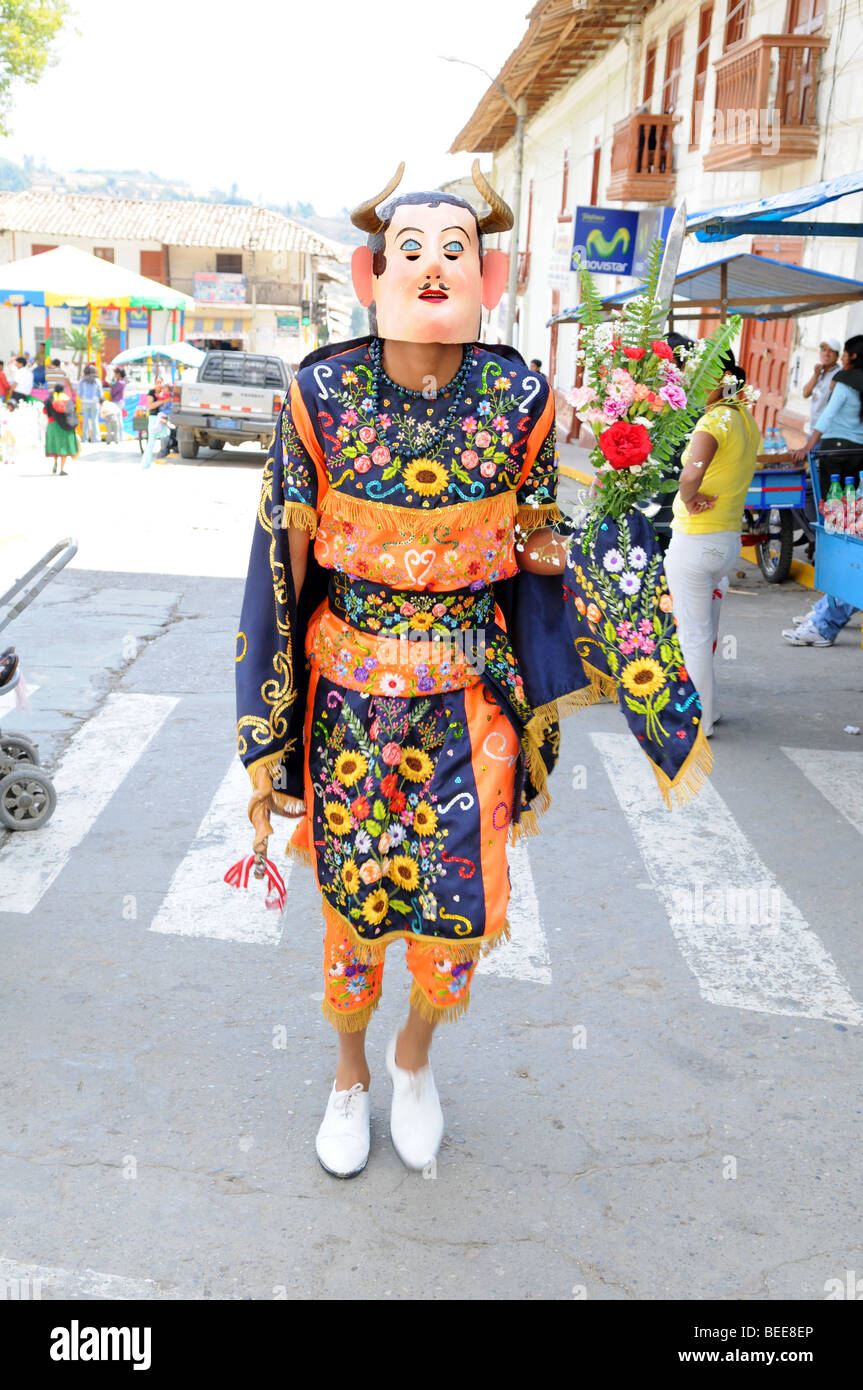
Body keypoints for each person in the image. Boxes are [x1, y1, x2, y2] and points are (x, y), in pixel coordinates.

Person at [233, 163, 710, 1180]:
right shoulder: (317, 391)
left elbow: (537, 544)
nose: (434, 268)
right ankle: (349, 1072)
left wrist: (616, 515)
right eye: (411, 250)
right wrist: (265, 737)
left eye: (455, 250)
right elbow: (280, 559)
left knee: (455, 907)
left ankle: (414, 1060)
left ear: (488, 276)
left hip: (467, 705)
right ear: (370, 271)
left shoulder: (521, 396)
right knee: (358, 904)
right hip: (349, 709)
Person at [664, 361, 761, 737]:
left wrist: (688, 496)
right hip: (725, 540)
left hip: (696, 539)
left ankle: (697, 722)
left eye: (701, 378)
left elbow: (692, 473)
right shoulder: (745, 420)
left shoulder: (715, 420)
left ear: (720, 382)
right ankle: (710, 708)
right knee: (704, 631)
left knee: (693, 635)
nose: (692, 386)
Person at [783, 334, 863, 647]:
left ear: (851, 356)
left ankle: (825, 622)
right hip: (858, 454)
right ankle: (823, 614)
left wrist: (808, 445)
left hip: (834, 452)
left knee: (838, 529)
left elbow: (827, 417)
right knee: (847, 527)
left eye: (842, 352)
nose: (840, 357)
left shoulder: (844, 380)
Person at [801, 337, 841, 433]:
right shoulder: (819, 372)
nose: (826, 354)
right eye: (823, 350)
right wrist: (815, 375)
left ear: (837, 356)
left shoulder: (838, 374)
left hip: (826, 432)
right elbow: (805, 393)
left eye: (831, 351)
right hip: (813, 429)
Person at [43, 383, 80, 475]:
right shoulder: (68, 400)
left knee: (55, 446)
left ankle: (55, 462)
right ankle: (62, 469)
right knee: (64, 447)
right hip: (65, 426)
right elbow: (72, 414)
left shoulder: (49, 400)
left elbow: (44, 411)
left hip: (52, 425)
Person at [76, 363, 102, 443]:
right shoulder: (97, 380)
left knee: (85, 421)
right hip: (94, 402)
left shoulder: (82, 380)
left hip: (85, 402)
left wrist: (83, 397)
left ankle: (85, 439)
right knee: (95, 420)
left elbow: (79, 393)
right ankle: (95, 439)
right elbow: (100, 393)